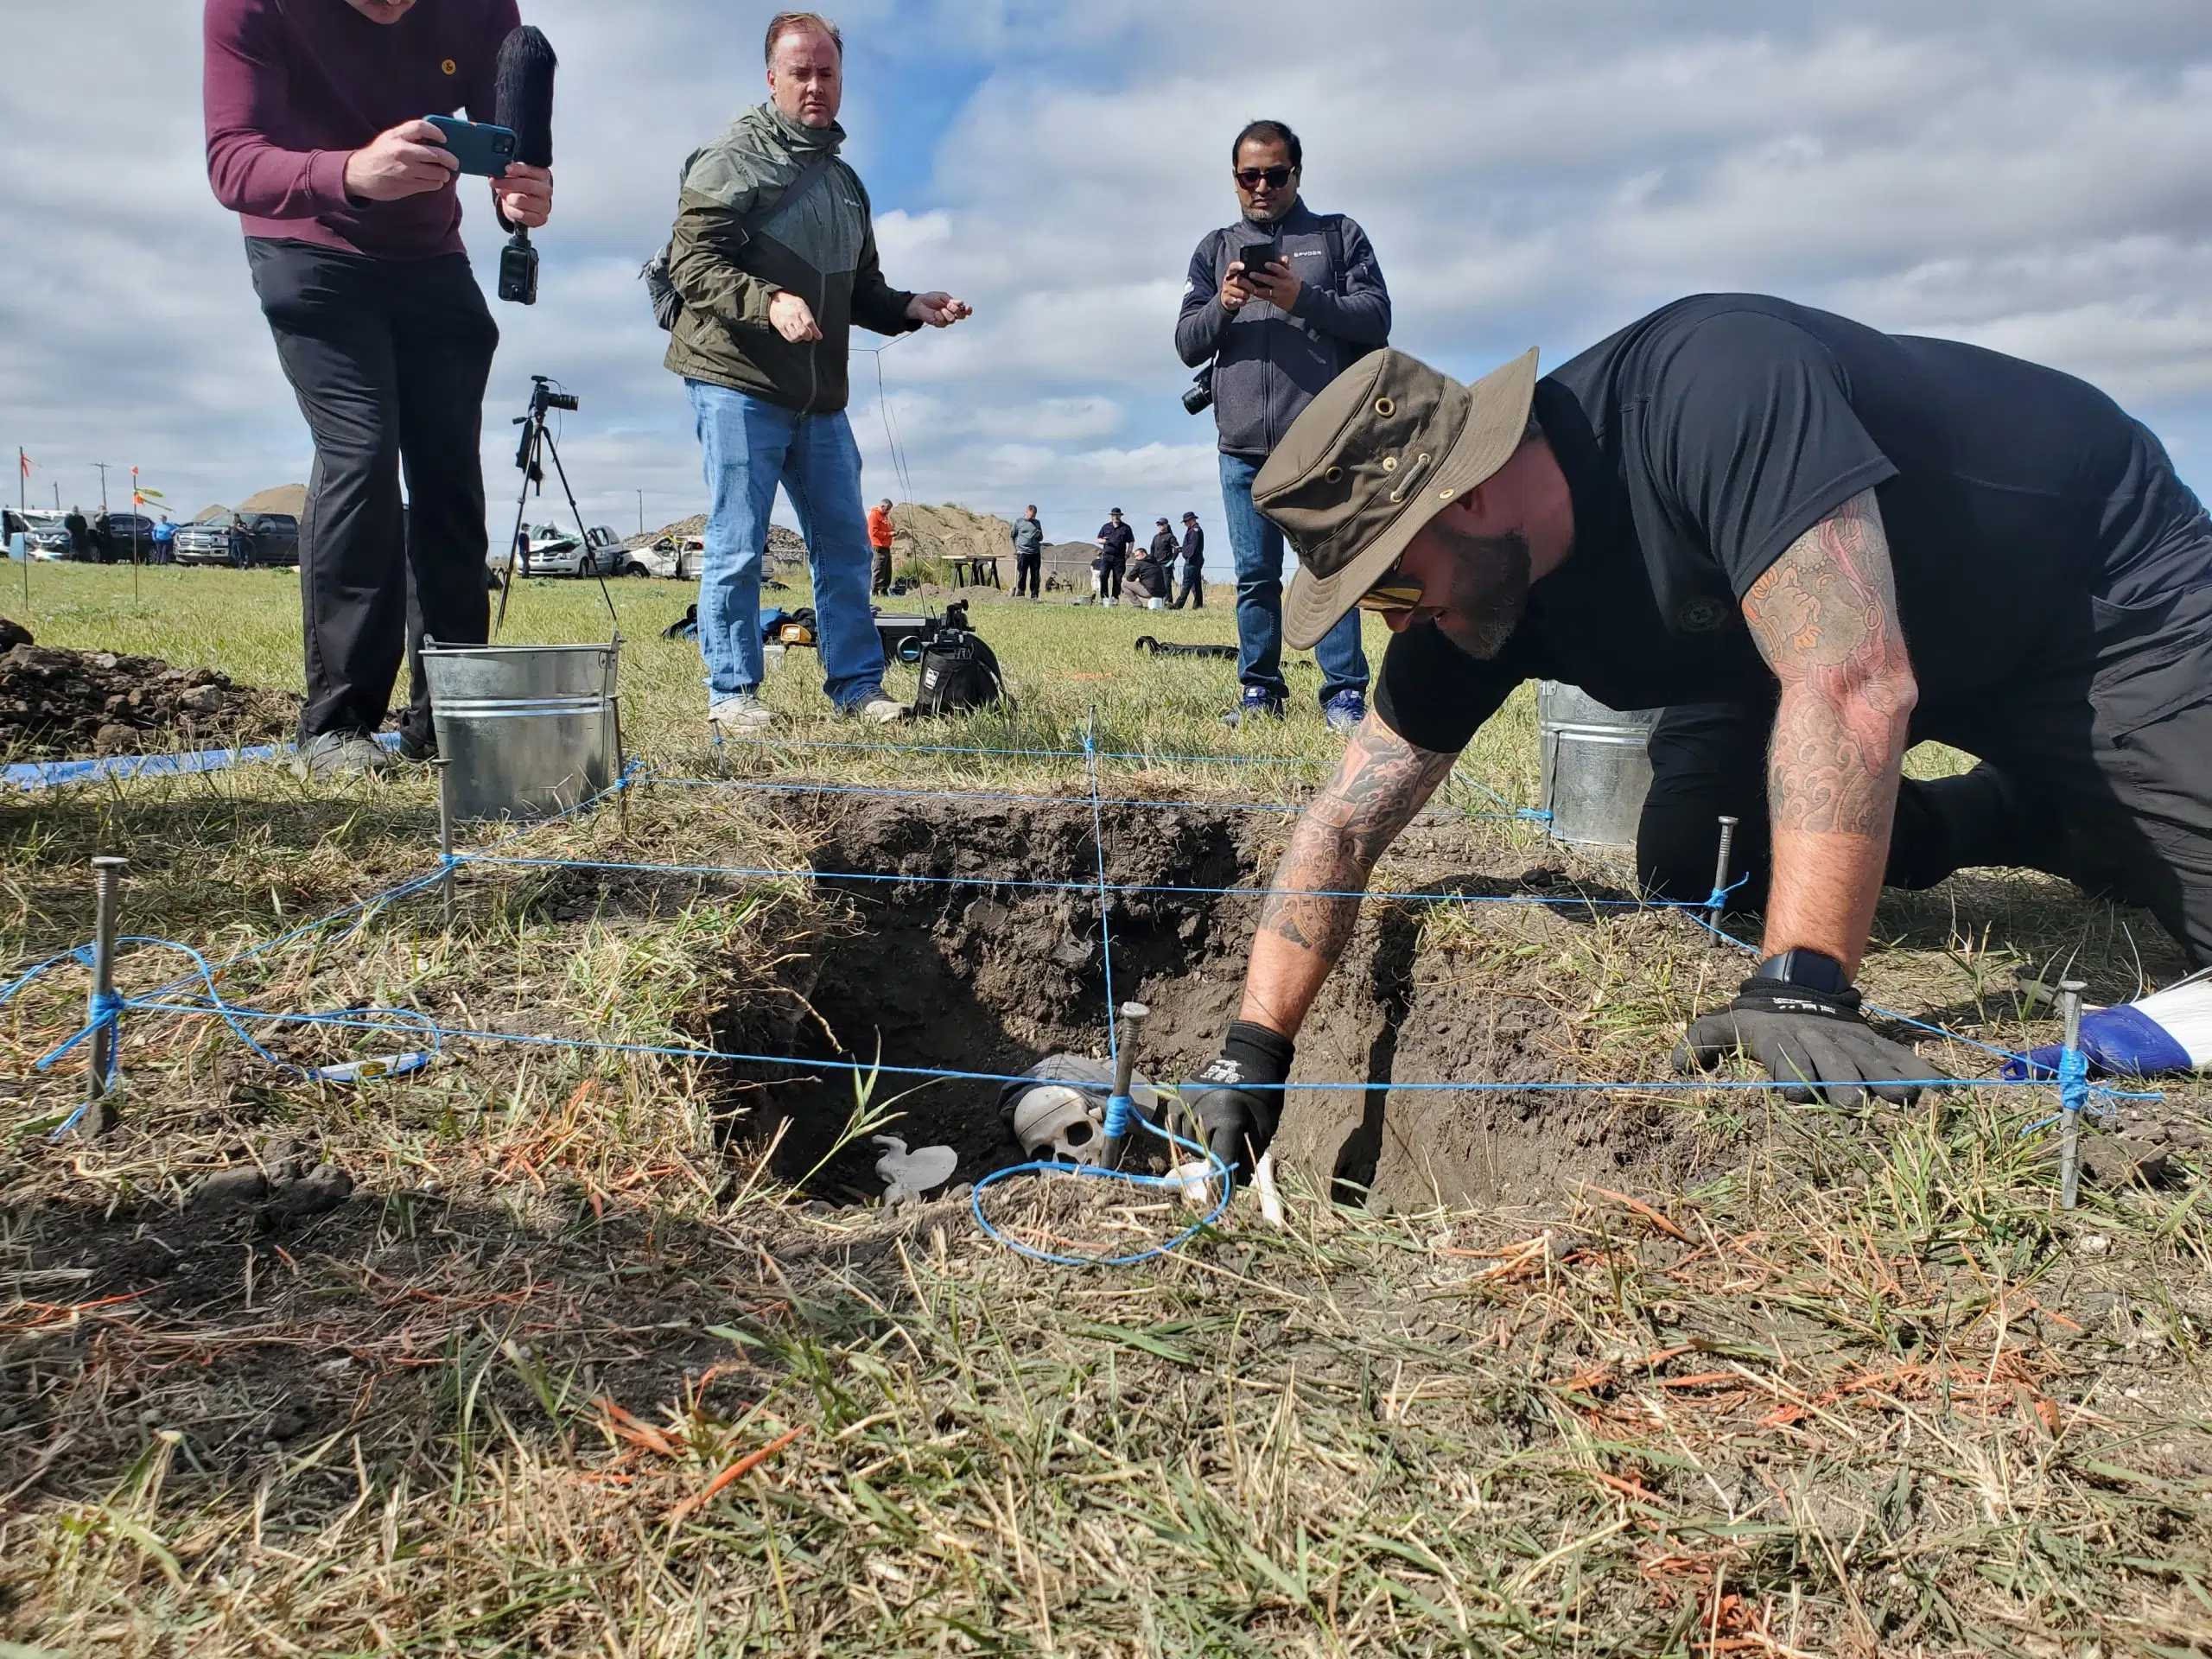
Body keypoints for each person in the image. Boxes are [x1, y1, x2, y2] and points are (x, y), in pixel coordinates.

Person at [1181, 293, 2212, 1179]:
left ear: (1475, 490)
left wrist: (1800, 986)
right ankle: (2023, 812)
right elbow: (1343, 826)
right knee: (1693, 861)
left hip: (2080, 592)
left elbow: (1853, 679)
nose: (1392, 620)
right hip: (1787, 652)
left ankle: (2086, 783)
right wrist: (1251, 1052)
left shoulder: (1712, 390)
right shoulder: (1471, 594)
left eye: (1392, 582)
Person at [204, 0, 553, 779]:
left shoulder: (483, 8)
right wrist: (350, 171)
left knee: (449, 476)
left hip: (430, 255)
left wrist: (517, 190)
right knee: (361, 449)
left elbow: (506, 142)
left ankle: (453, 718)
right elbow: (232, 163)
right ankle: (338, 724)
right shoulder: (251, 6)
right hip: (307, 241)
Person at [664, 12, 970, 733]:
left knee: (845, 546)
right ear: (771, 78)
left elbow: (861, 289)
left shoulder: (846, 185)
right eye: (799, 72)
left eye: (826, 72)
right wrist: (767, 300)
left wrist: (909, 307)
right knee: (739, 545)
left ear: (841, 80)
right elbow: (691, 264)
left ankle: (859, 687)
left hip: (820, 399)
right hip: (736, 380)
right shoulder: (732, 159)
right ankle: (732, 694)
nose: (814, 85)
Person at [1176, 118, 1391, 734]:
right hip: (1241, 445)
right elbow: (1187, 344)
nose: (1262, 186)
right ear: (1235, 179)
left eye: (1275, 174)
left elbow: (1376, 318)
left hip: (1322, 440)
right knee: (1254, 577)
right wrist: (1224, 304)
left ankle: (1345, 694)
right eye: (1250, 175)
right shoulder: (1215, 248)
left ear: (1297, 173)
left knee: (1331, 565)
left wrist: (1303, 299)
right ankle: (1259, 690)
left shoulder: (1338, 236)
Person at [1129, 520, 1176, 605]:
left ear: (1166, 525)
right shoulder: (1156, 537)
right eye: (1158, 524)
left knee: (1166, 584)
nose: (1160, 526)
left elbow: (1177, 549)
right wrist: (1151, 561)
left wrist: (1169, 563)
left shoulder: (1170, 537)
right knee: (1156, 583)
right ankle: (1158, 603)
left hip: (1166, 565)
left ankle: (1168, 602)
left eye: (1162, 524)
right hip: (1156, 565)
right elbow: (1152, 550)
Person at [1094, 508, 1135, 604]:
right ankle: (1104, 597)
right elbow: (1098, 539)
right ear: (1111, 516)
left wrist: (1128, 553)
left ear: (1120, 516)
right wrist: (1103, 541)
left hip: (1119, 557)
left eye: (1117, 515)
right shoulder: (1106, 527)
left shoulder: (1126, 528)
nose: (1115, 517)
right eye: (1113, 515)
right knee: (1103, 575)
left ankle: (1114, 598)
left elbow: (1131, 542)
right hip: (1107, 556)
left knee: (1118, 578)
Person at [1171, 511, 1205, 610]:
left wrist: (1186, 554)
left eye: (1186, 521)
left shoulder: (1194, 531)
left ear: (1191, 520)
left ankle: (1178, 605)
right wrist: (1183, 549)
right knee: (1196, 584)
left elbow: (1192, 548)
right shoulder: (1194, 530)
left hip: (1192, 561)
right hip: (1196, 560)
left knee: (1186, 584)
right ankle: (1198, 606)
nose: (1185, 524)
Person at [1010, 505, 1044, 599]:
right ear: (1027, 512)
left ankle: (1034, 596)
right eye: (1031, 515)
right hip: (1023, 552)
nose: (1032, 518)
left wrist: (1039, 535)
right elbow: (1011, 537)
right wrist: (1014, 550)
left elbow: (1041, 538)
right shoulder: (1018, 522)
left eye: (1034, 516)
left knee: (1035, 575)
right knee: (1022, 574)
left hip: (1035, 552)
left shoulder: (1037, 523)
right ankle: (1021, 595)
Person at [868, 498, 896, 596]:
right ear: (883, 506)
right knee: (879, 569)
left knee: (887, 570)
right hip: (878, 547)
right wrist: (889, 534)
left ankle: (884, 590)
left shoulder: (885, 517)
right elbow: (874, 532)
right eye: (887, 508)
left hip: (886, 547)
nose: (888, 511)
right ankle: (875, 590)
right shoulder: (874, 516)